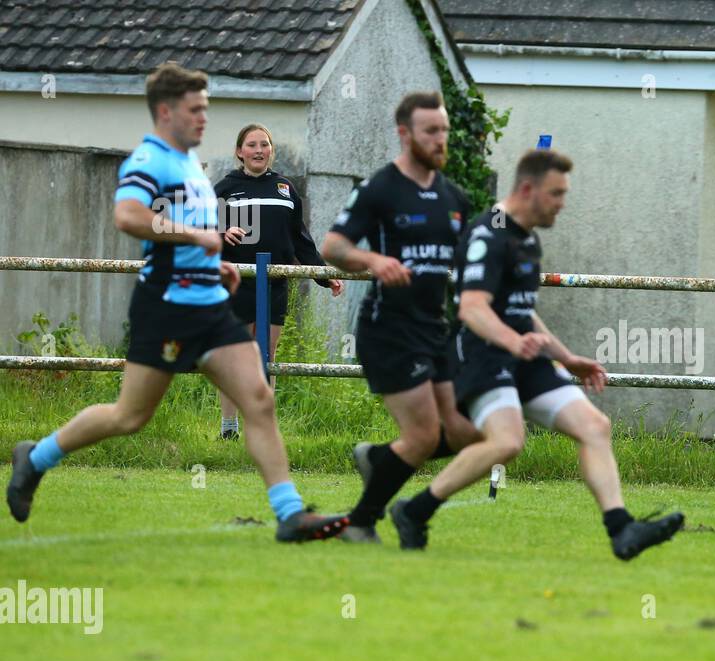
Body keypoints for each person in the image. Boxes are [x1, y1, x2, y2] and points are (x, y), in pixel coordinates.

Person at [4, 63, 348, 543]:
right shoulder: (151, 160)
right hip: (166, 305)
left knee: (259, 398)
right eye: (195, 109)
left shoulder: (191, 163)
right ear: (166, 111)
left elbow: (194, 239)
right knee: (130, 416)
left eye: (206, 108)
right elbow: (128, 216)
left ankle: (289, 514)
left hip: (209, 303)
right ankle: (35, 457)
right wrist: (198, 237)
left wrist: (217, 265)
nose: (204, 117)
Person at [385, 149, 685, 559]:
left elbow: (524, 314)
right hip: (482, 354)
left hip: (522, 354)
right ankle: (413, 511)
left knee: (595, 426)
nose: (563, 202)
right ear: (528, 190)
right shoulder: (487, 236)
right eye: (556, 193)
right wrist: (512, 342)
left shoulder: (527, 237)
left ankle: (622, 530)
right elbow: (472, 308)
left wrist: (567, 356)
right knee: (507, 442)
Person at [320, 91, 481, 545]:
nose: (440, 139)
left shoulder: (454, 198)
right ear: (405, 133)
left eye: (444, 130)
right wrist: (373, 261)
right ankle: (361, 522)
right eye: (431, 131)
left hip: (435, 329)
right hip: (387, 328)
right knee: (425, 434)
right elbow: (333, 247)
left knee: (469, 432)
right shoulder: (380, 189)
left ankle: (379, 459)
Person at [213, 123, 343, 440]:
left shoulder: (285, 189)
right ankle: (229, 429)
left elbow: (301, 241)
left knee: (266, 358)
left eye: (265, 145)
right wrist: (221, 234)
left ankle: (262, 430)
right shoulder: (224, 189)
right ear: (239, 152)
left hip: (275, 283)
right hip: (236, 281)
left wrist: (325, 276)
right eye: (252, 145)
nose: (259, 150)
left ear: (272, 151)